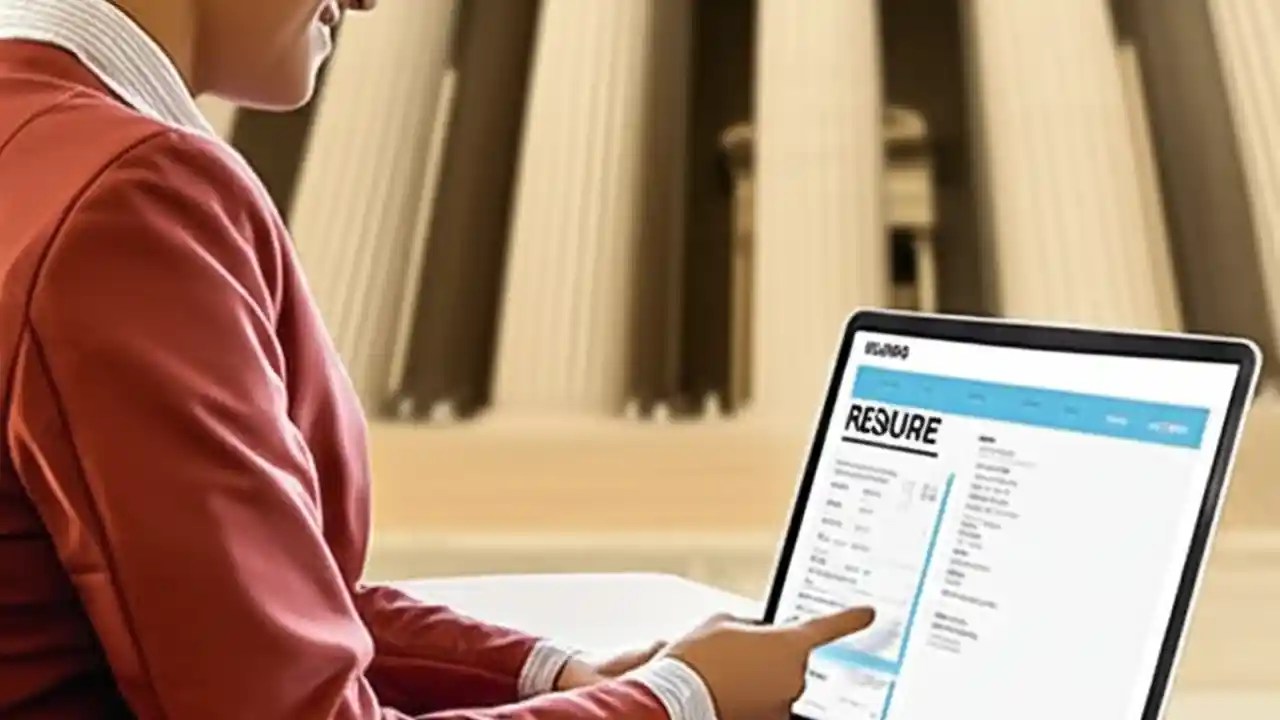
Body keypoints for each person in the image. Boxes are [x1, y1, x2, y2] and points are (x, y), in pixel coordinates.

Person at [0, 0, 876, 718]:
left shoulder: (41, 143)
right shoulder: (129, 197)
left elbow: (229, 609)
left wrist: (561, 676)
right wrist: (678, 701)